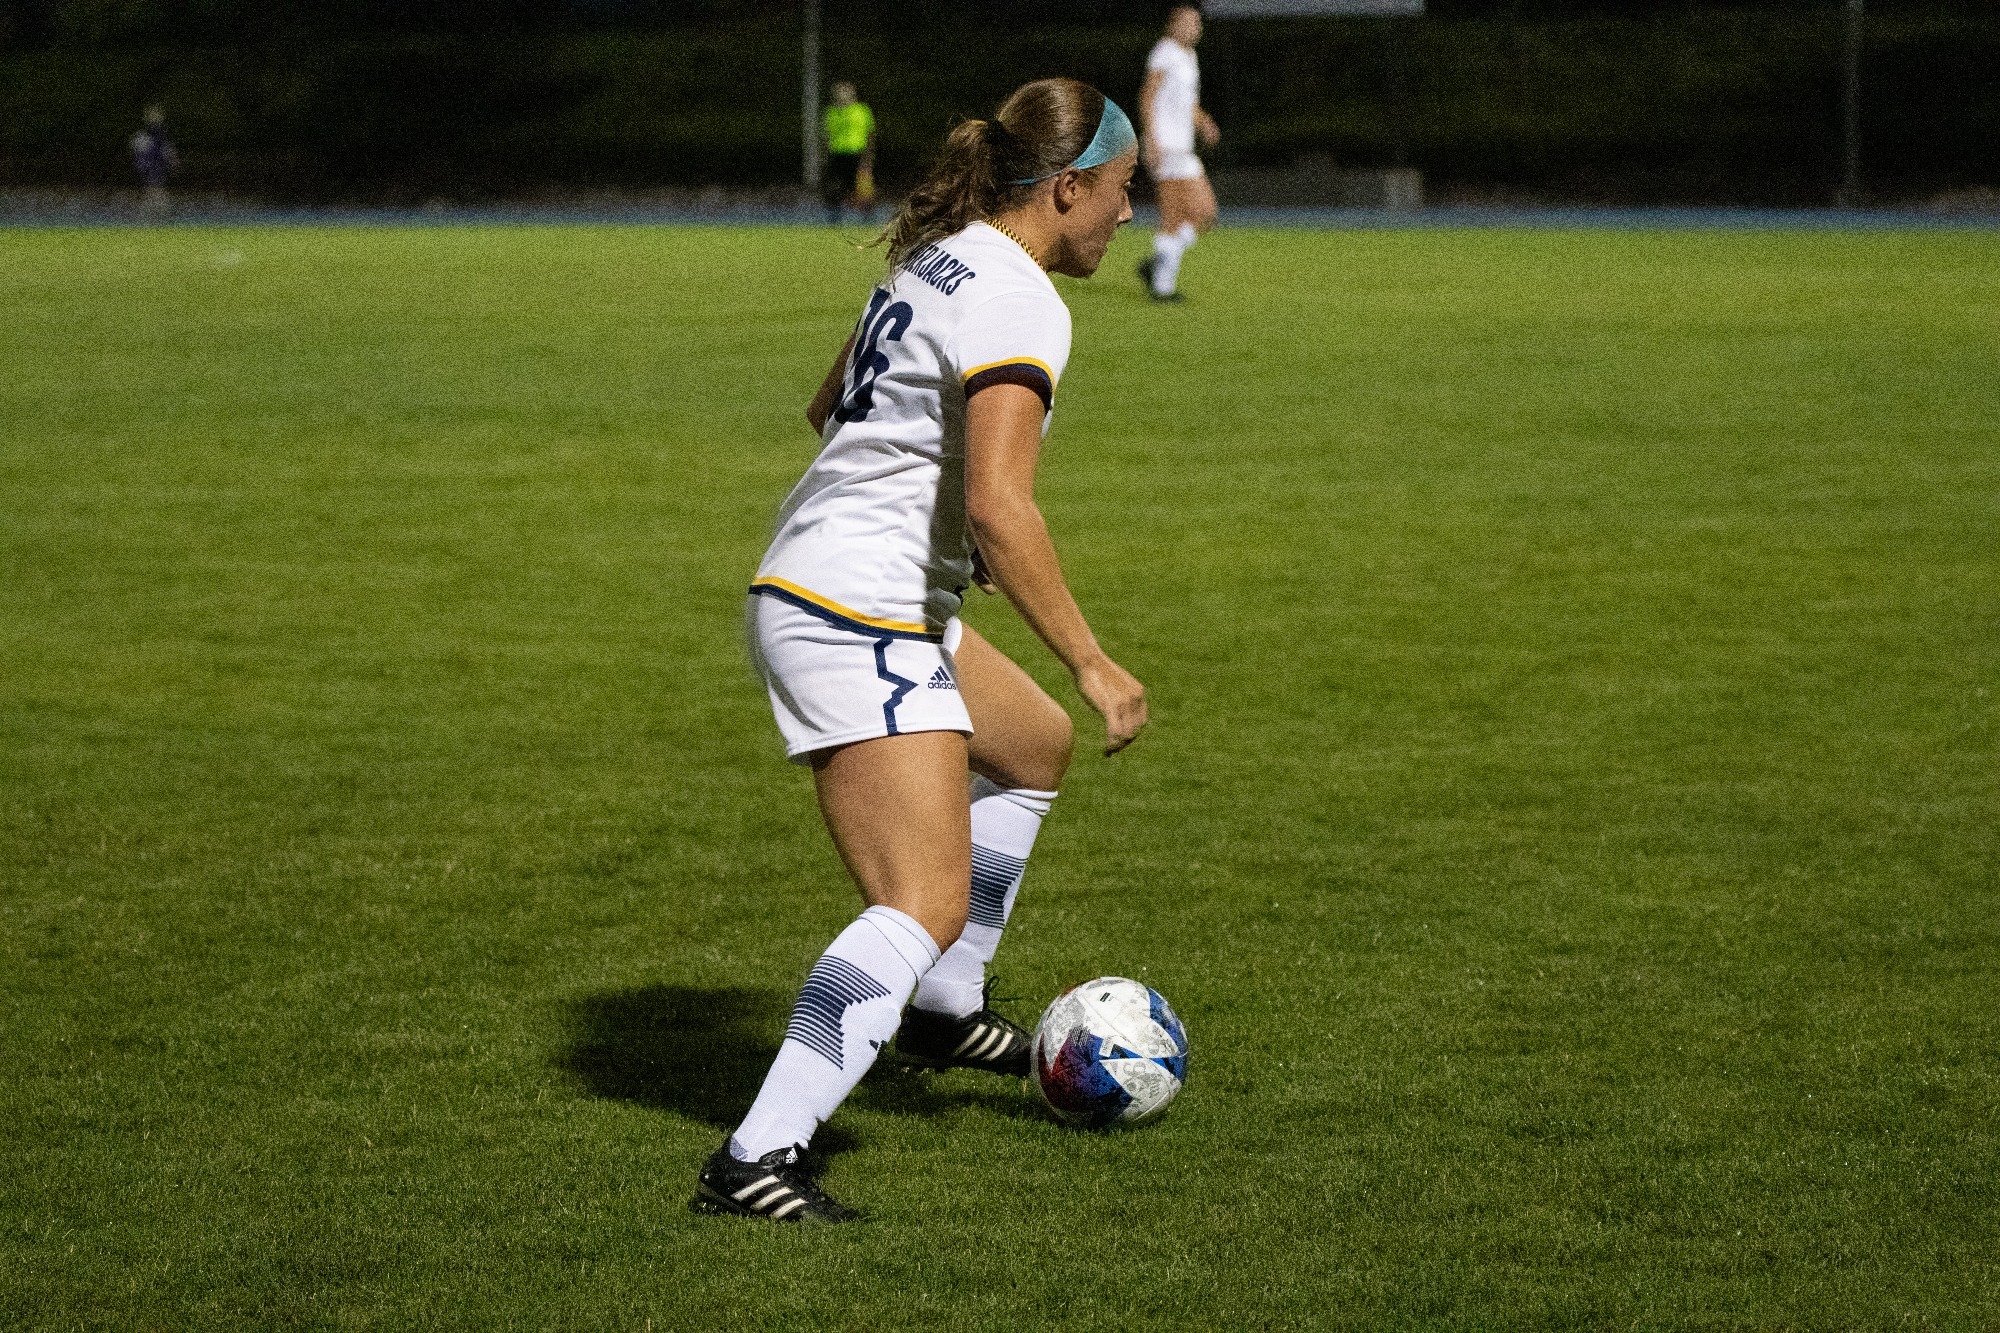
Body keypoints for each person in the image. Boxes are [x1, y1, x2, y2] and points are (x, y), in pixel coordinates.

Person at [694, 78, 1147, 1223]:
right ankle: (755, 1157)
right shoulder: (1022, 300)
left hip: (839, 583)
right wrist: (1092, 659)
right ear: (1067, 187)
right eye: (1121, 189)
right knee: (922, 896)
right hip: (853, 609)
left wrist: (934, 523)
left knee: (1030, 743)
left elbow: (830, 410)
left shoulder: (940, 257)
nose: (1126, 214)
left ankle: (943, 1012)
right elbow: (999, 502)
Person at [1137, 4, 1220, 303]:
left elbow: (1188, 103)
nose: (1193, 28)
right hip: (1167, 146)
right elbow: (1147, 97)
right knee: (1177, 216)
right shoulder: (1165, 51)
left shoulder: (1189, 56)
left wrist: (1204, 121)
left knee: (1203, 214)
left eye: (1196, 23)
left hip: (1183, 147)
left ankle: (1158, 264)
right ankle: (1162, 285)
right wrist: (1152, 140)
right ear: (1172, 25)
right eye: (1187, 22)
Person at [822, 82, 877, 223]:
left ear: (853, 94)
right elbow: (826, 136)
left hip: (857, 153)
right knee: (835, 186)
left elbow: (870, 134)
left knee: (862, 186)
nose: (842, 95)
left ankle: (868, 218)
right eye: (839, 92)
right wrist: (825, 155)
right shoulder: (830, 112)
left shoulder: (862, 110)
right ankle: (834, 218)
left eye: (845, 92)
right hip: (837, 154)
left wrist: (868, 155)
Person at [130, 106, 178, 216]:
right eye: (153, 115)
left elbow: (166, 150)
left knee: (154, 191)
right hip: (153, 167)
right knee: (155, 191)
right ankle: (154, 214)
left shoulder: (157, 134)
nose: (155, 118)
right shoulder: (148, 135)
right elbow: (140, 152)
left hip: (154, 167)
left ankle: (152, 214)